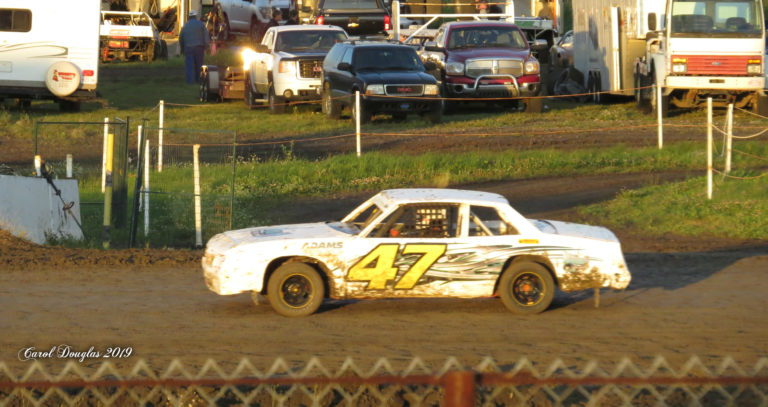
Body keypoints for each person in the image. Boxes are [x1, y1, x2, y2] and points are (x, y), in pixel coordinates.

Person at [179, 9, 210, 84]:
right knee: (199, 66)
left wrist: (182, 49)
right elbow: (206, 35)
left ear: (189, 17)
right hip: (199, 48)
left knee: (189, 66)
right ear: (196, 16)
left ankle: (190, 82)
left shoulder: (185, 26)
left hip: (188, 48)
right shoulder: (201, 24)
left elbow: (181, 38)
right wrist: (207, 46)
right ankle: (199, 81)